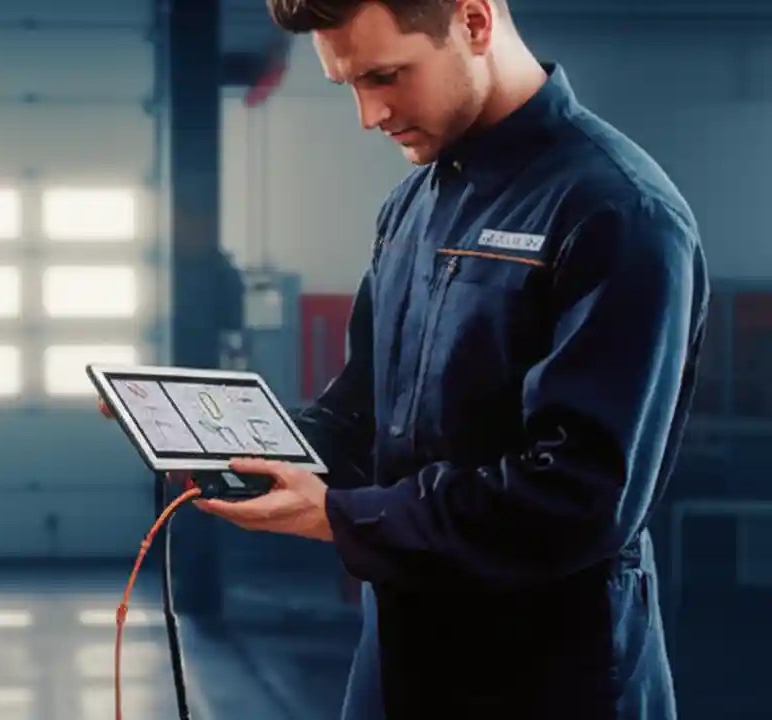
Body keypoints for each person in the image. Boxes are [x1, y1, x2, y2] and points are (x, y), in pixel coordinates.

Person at [133, 1, 709, 718]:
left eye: (385, 76)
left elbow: (578, 500)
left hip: (551, 677)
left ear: (471, 21)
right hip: (400, 663)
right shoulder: (412, 205)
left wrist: (339, 518)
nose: (369, 115)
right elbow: (361, 416)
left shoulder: (618, 210)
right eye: (348, 84)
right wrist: (228, 441)